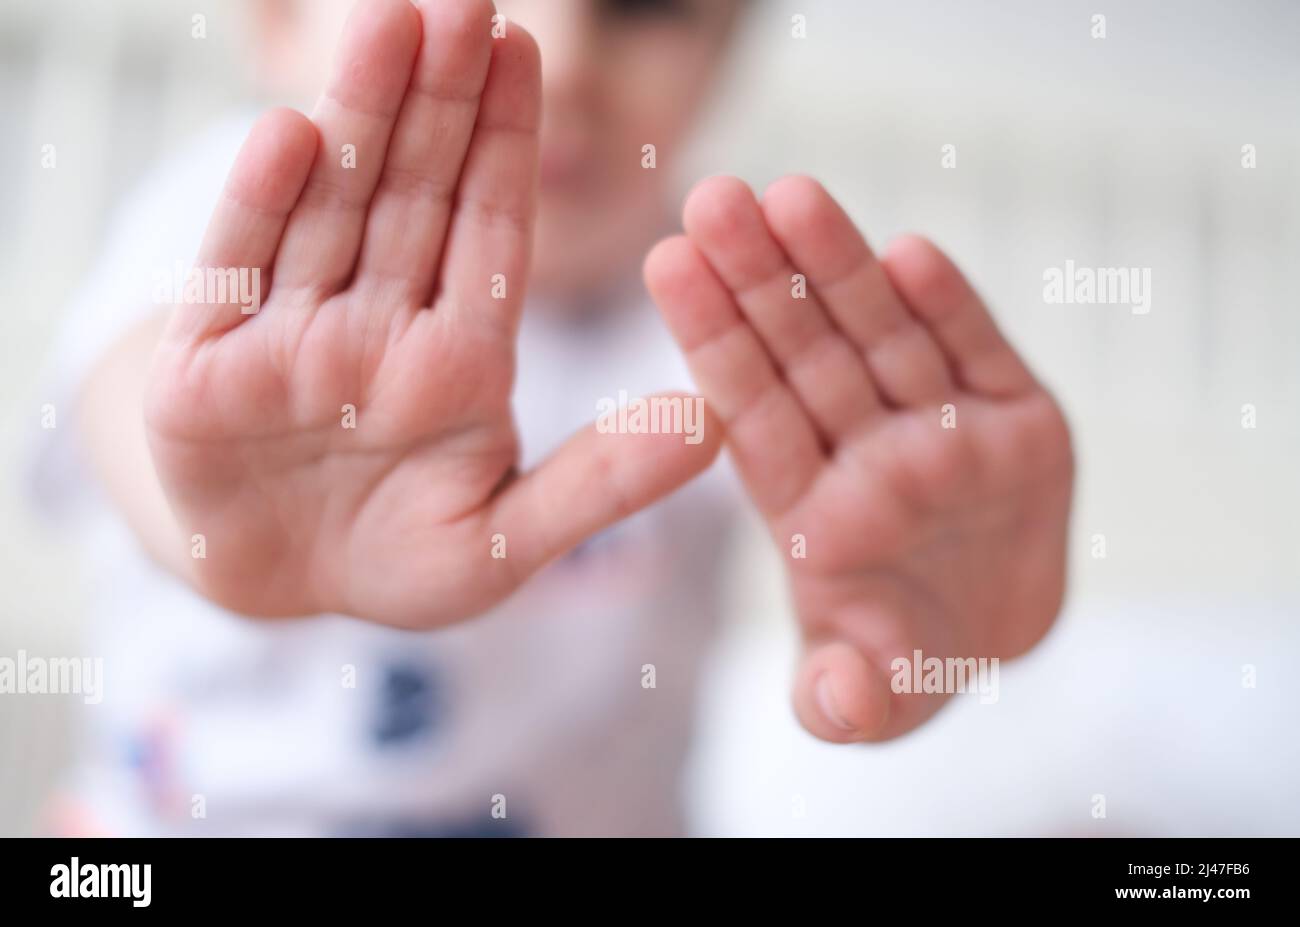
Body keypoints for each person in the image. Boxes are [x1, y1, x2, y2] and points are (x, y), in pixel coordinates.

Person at [35, 0, 1073, 836]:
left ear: (724, 58)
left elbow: (857, 538)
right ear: (276, 21)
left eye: (644, 7)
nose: (562, 51)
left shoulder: (730, 307)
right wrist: (207, 520)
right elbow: (119, 391)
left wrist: (935, 616)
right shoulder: (243, 217)